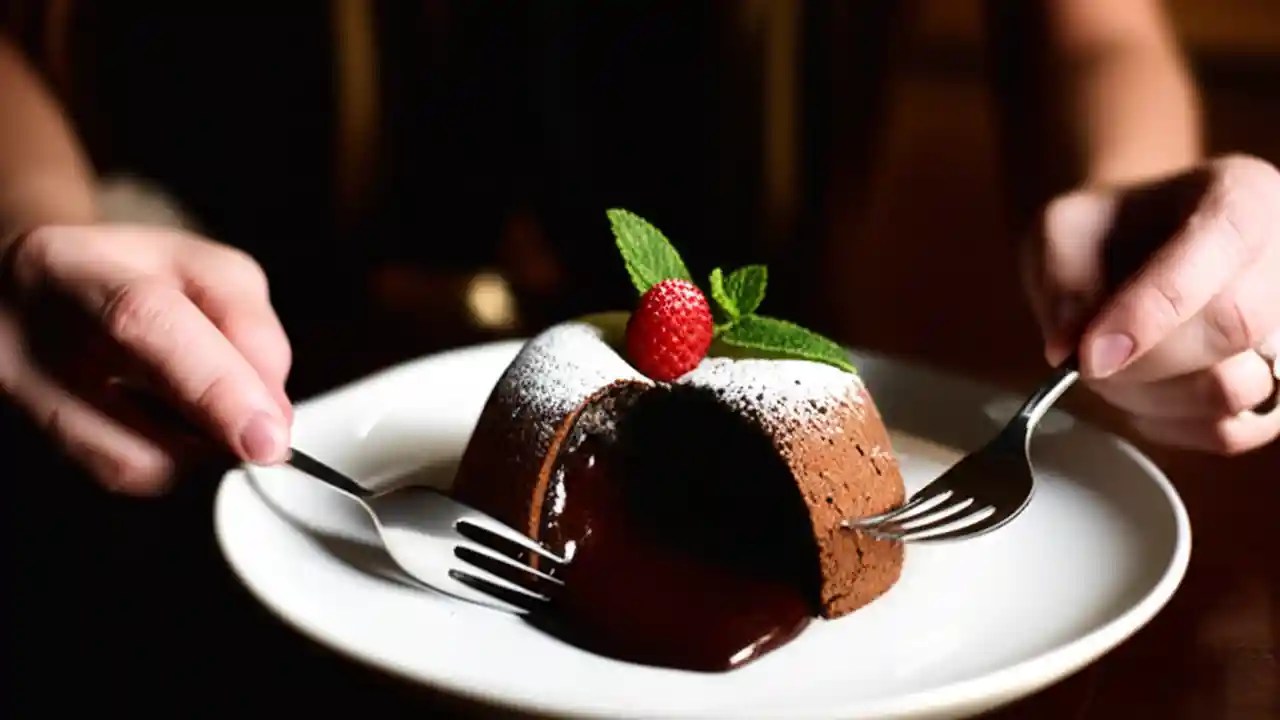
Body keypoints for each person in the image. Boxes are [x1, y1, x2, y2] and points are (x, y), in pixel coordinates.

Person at [0, 0, 1277, 501]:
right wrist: (32, 220)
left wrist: (1134, 219)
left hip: (775, 438)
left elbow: (1089, 31)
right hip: (205, 456)